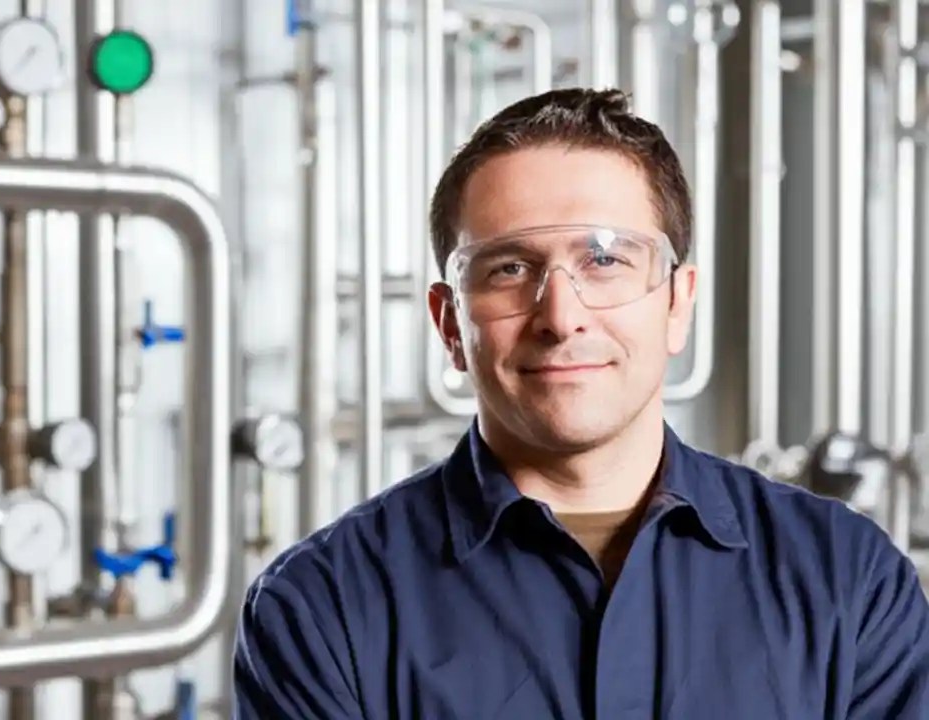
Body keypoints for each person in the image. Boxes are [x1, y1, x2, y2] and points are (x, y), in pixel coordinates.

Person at [230, 88, 929, 718]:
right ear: (449, 324)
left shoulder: (847, 582)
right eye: (510, 268)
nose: (561, 316)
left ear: (678, 304)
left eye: (605, 260)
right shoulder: (321, 611)